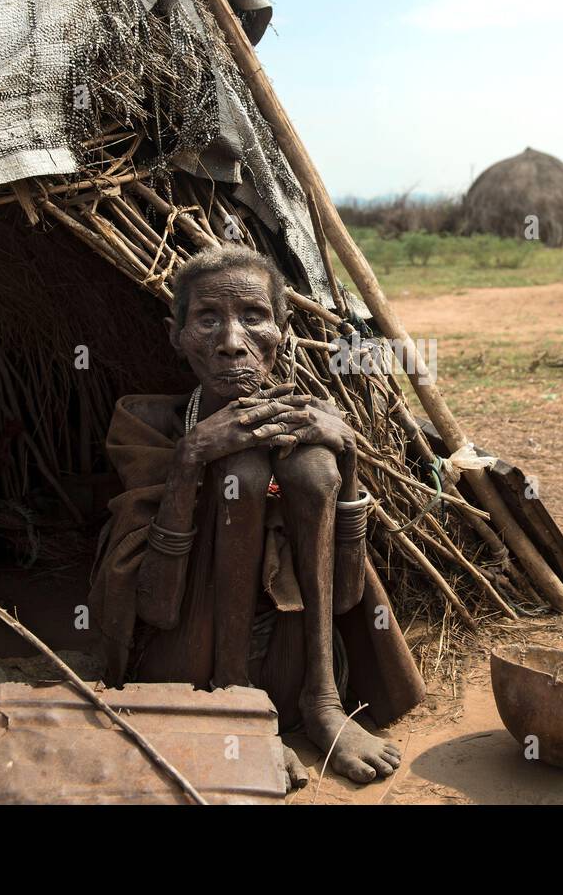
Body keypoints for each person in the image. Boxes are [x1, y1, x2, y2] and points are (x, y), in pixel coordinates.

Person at [89, 246, 424, 785]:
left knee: (313, 467)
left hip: (293, 658)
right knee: (239, 472)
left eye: (253, 318)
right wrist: (191, 458)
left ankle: (323, 702)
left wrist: (349, 461)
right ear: (175, 336)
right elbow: (154, 605)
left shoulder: (314, 423)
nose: (229, 343)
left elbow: (345, 598)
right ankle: (236, 708)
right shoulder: (146, 426)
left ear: (283, 331)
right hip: (190, 658)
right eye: (207, 320)